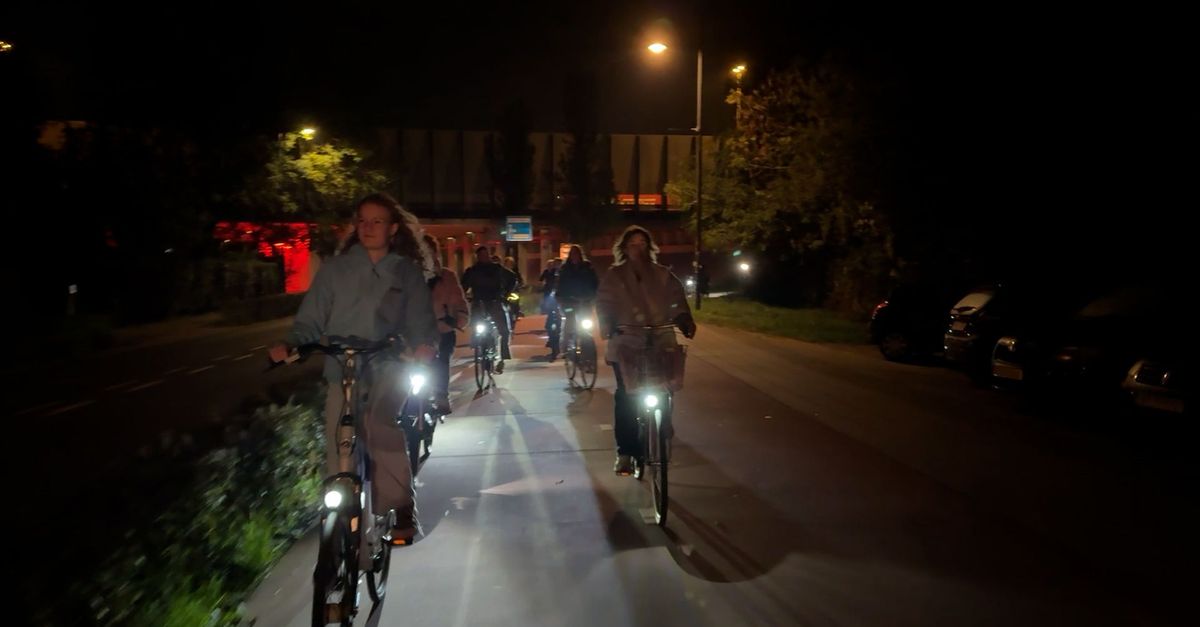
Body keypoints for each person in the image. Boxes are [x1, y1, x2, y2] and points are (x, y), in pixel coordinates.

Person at [268, 193, 438, 543]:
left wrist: (423, 344)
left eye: (377, 221)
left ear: (393, 229)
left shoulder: (405, 272)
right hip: (340, 368)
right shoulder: (335, 271)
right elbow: (310, 320)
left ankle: (400, 505)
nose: (368, 227)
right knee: (338, 440)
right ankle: (341, 515)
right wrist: (293, 344)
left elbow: (421, 318)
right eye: (362, 220)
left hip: (387, 364)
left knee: (378, 422)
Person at [595, 225, 696, 475]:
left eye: (642, 244)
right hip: (626, 342)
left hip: (660, 339)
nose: (637, 249)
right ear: (624, 248)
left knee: (666, 387)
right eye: (633, 244)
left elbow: (676, 298)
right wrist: (608, 323)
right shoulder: (615, 276)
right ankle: (626, 452)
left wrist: (683, 318)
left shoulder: (663, 275)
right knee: (626, 396)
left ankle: (664, 424)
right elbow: (605, 302)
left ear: (649, 248)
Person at [423, 234, 469, 414]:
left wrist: (459, 317)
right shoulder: (409, 276)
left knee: (441, 362)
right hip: (416, 333)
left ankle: (441, 396)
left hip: (442, 330)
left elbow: (459, 301)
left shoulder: (447, 276)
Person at [461, 246, 513, 372]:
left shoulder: (497, 269)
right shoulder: (472, 271)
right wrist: (463, 296)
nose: (484, 257)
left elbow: (512, 278)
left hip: (495, 301)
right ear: (477, 257)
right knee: (475, 323)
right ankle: (476, 342)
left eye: (485, 254)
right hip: (479, 302)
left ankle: (503, 356)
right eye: (481, 255)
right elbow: (463, 286)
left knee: (504, 330)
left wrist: (505, 294)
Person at [548, 244, 598, 360]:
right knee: (569, 323)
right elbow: (560, 285)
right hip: (569, 302)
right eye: (573, 254)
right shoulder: (565, 269)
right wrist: (560, 298)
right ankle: (565, 349)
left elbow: (594, 282)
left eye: (577, 254)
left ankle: (588, 355)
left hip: (585, 301)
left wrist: (593, 295)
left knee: (587, 328)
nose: (575, 257)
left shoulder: (587, 267)